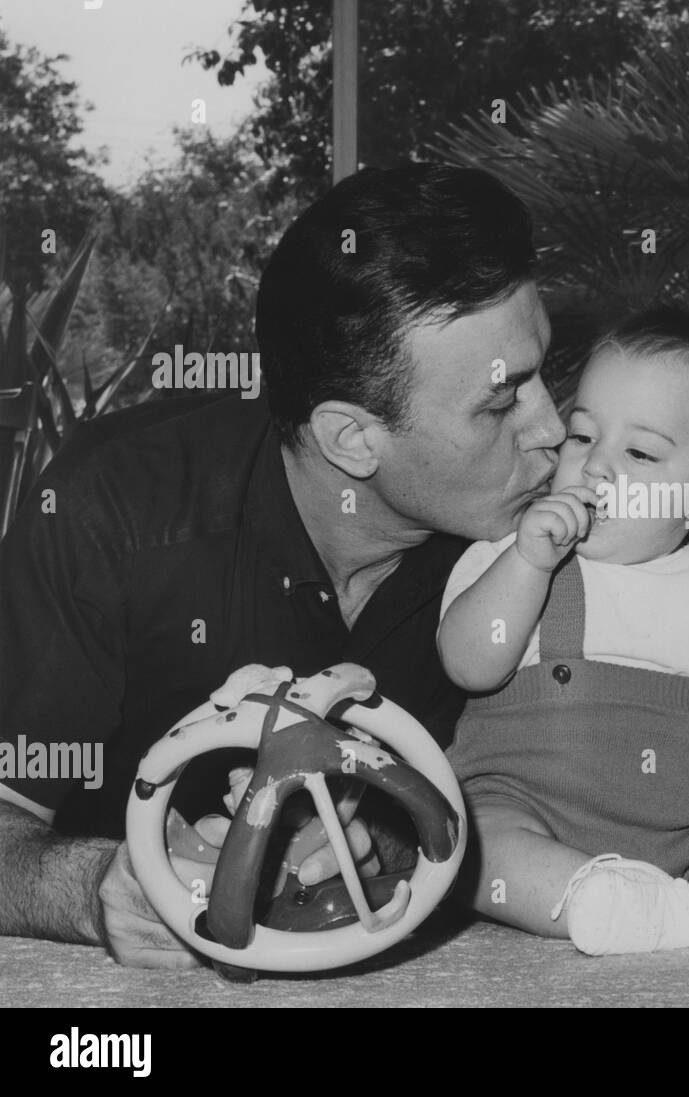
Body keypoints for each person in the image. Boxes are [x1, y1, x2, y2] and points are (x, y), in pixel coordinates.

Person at [0, 163, 567, 965]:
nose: (553, 428)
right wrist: (97, 887)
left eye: (546, 369)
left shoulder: (553, 531)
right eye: (501, 402)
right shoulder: (109, 513)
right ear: (352, 440)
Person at [438, 306, 689, 955]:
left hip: (681, 837)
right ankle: (595, 896)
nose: (597, 467)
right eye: (583, 438)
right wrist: (528, 562)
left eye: (639, 452)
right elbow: (469, 664)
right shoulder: (508, 559)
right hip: (522, 814)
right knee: (468, 843)